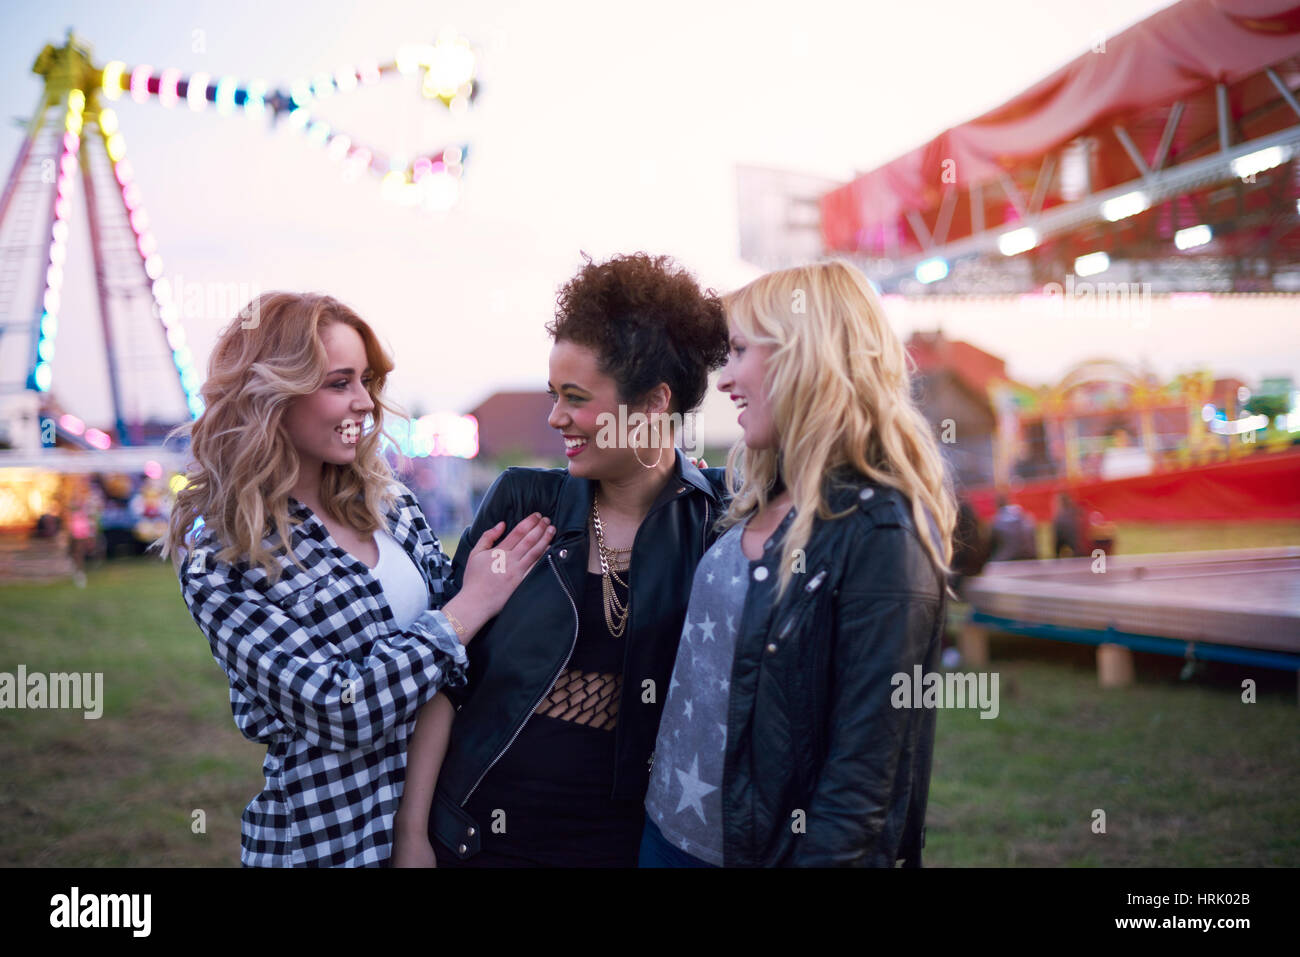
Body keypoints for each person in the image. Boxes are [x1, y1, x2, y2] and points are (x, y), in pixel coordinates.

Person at [159, 292, 552, 867]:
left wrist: (414, 831)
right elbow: (345, 708)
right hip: (328, 845)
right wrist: (467, 608)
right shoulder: (223, 560)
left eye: (366, 380)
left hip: (448, 828)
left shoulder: (391, 507)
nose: (365, 402)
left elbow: (457, 673)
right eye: (338, 382)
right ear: (273, 395)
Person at [392, 252, 730, 867]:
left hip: (629, 847)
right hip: (478, 837)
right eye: (553, 395)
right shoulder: (523, 501)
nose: (555, 419)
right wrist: (412, 834)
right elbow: (446, 677)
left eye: (575, 398)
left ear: (654, 403)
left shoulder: (721, 518)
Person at [639, 259, 956, 867]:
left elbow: (862, 779)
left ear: (802, 353)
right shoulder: (753, 499)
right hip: (669, 835)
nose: (725, 379)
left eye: (737, 352)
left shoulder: (880, 530)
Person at [988, 494, 1038, 561]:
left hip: (1007, 559)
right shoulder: (1025, 516)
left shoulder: (997, 520)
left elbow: (992, 546)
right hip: (1030, 556)